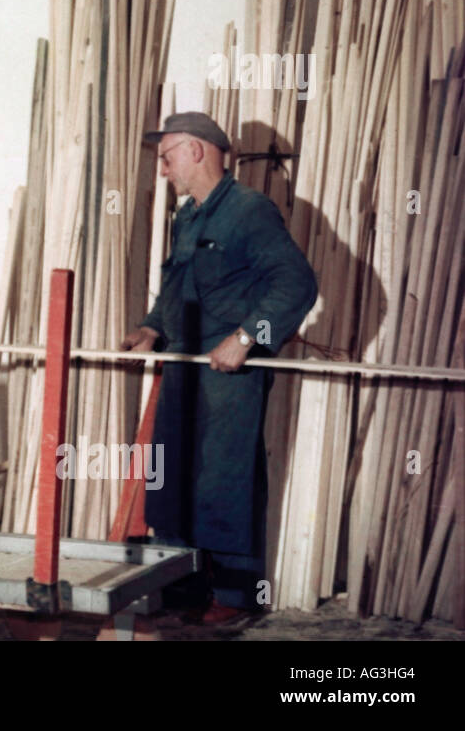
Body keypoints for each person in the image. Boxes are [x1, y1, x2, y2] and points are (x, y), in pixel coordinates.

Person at [121, 112, 317, 625]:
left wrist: (250, 337)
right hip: (184, 364)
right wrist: (151, 328)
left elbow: (296, 284)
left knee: (224, 478)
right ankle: (185, 588)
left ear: (196, 150)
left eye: (166, 157)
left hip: (230, 372)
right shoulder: (186, 217)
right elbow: (175, 289)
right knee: (176, 478)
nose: (162, 169)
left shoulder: (251, 211)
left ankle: (235, 599)